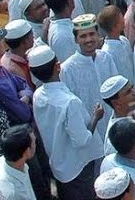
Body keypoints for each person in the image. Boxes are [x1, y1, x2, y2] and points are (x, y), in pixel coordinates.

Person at [30, 42, 106, 199]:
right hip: (77, 168)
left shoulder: (38, 95)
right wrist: (96, 117)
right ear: (58, 66)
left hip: (59, 166)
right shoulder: (69, 102)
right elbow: (82, 140)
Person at [0, 125, 37, 200]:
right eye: (34, 142)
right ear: (27, 152)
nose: (36, 145)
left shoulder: (1, 161)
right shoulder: (13, 193)